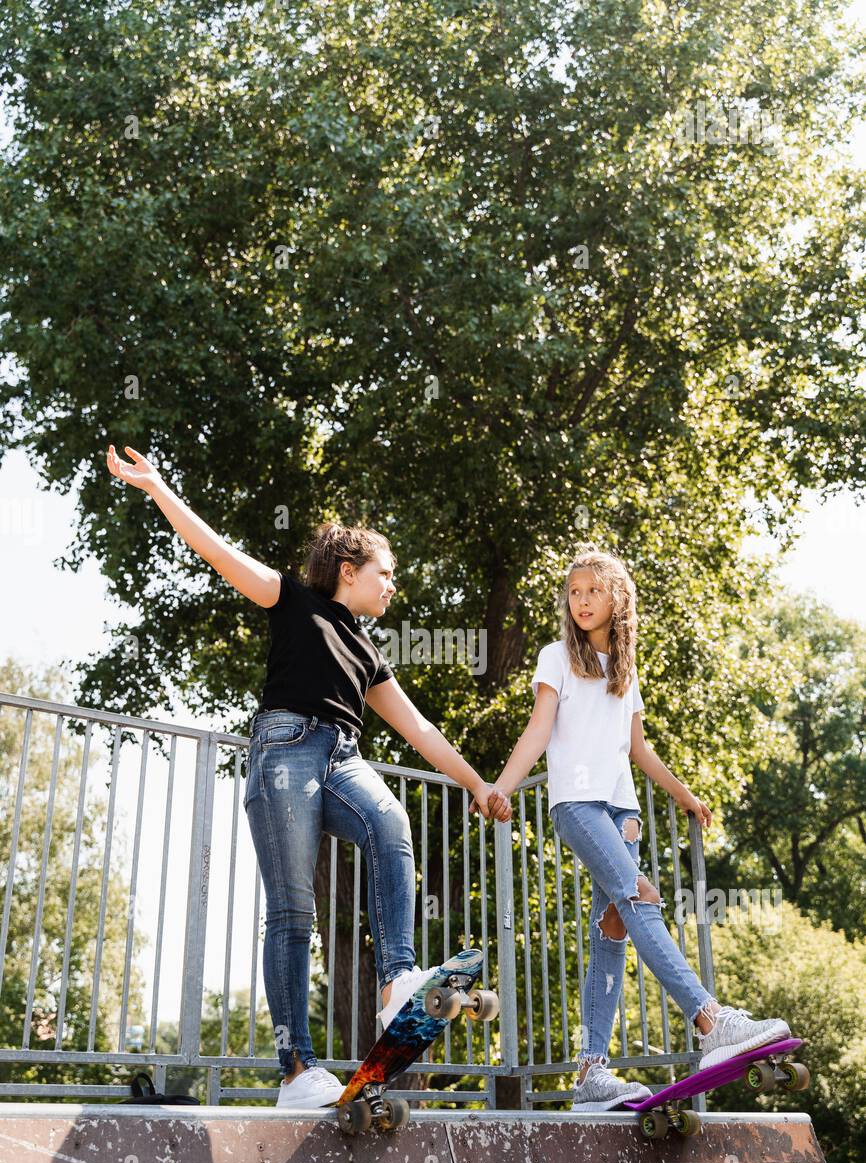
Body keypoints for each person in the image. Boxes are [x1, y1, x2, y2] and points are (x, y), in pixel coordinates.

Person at [106, 443, 511, 1110]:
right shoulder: (291, 599)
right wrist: (158, 488)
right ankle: (296, 1069)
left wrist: (475, 782)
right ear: (348, 571)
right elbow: (216, 551)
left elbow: (419, 729)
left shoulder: (367, 651)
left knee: (391, 825)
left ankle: (396, 982)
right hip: (285, 750)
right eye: (387, 573)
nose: (393, 584)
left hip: (343, 758)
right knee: (294, 913)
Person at [484, 546, 790, 1112]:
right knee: (641, 897)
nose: (580, 601)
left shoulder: (625, 671)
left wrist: (687, 796)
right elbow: (538, 729)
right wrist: (500, 785)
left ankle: (591, 1076)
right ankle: (710, 1021)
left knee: (613, 932)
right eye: (574, 592)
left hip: (623, 812)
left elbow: (638, 750)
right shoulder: (556, 658)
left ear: (616, 598)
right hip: (576, 804)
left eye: (592, 591)